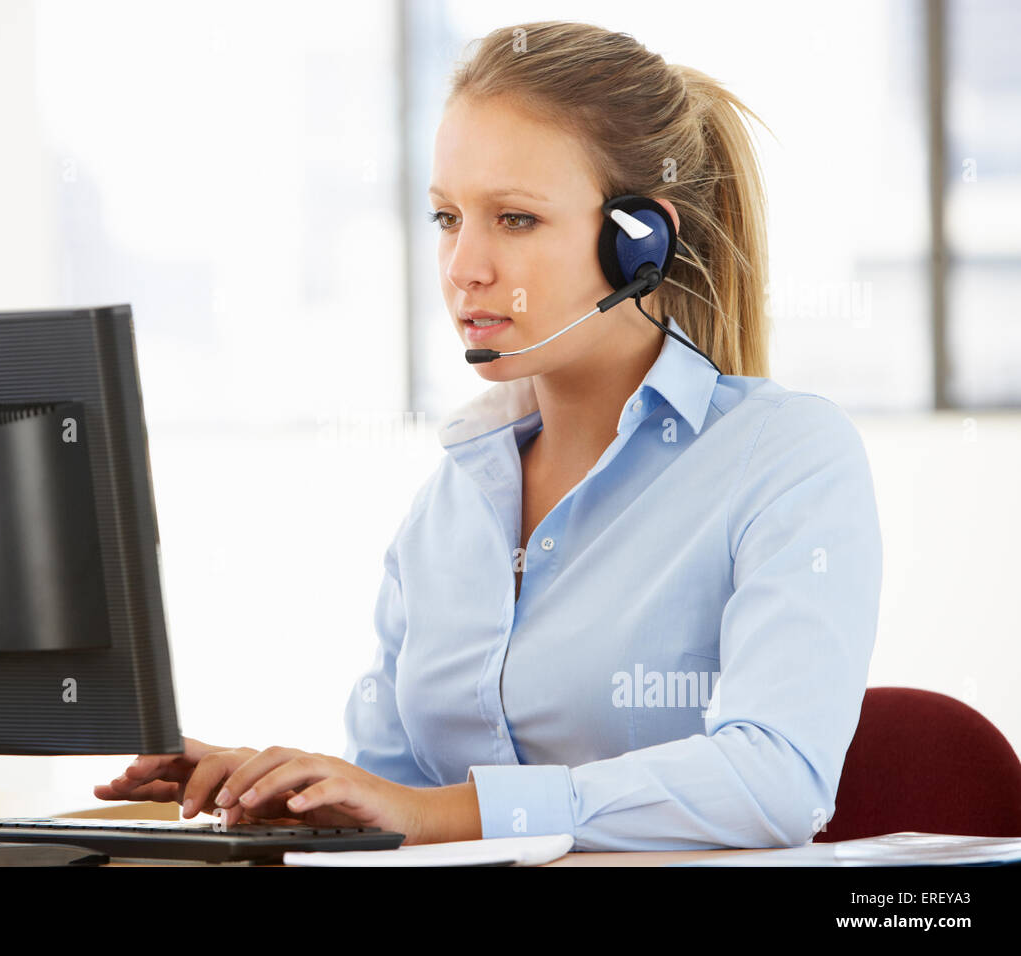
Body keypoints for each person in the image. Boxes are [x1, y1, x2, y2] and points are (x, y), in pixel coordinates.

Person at [94, 21, 882, 851]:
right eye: (445, 217)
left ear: (637, 241)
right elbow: (392, 794)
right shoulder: (449, 506)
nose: (464, 265)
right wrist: (294, 792)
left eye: (514, 219)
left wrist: (445, 813)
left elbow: (777, 777)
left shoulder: (784, 456)